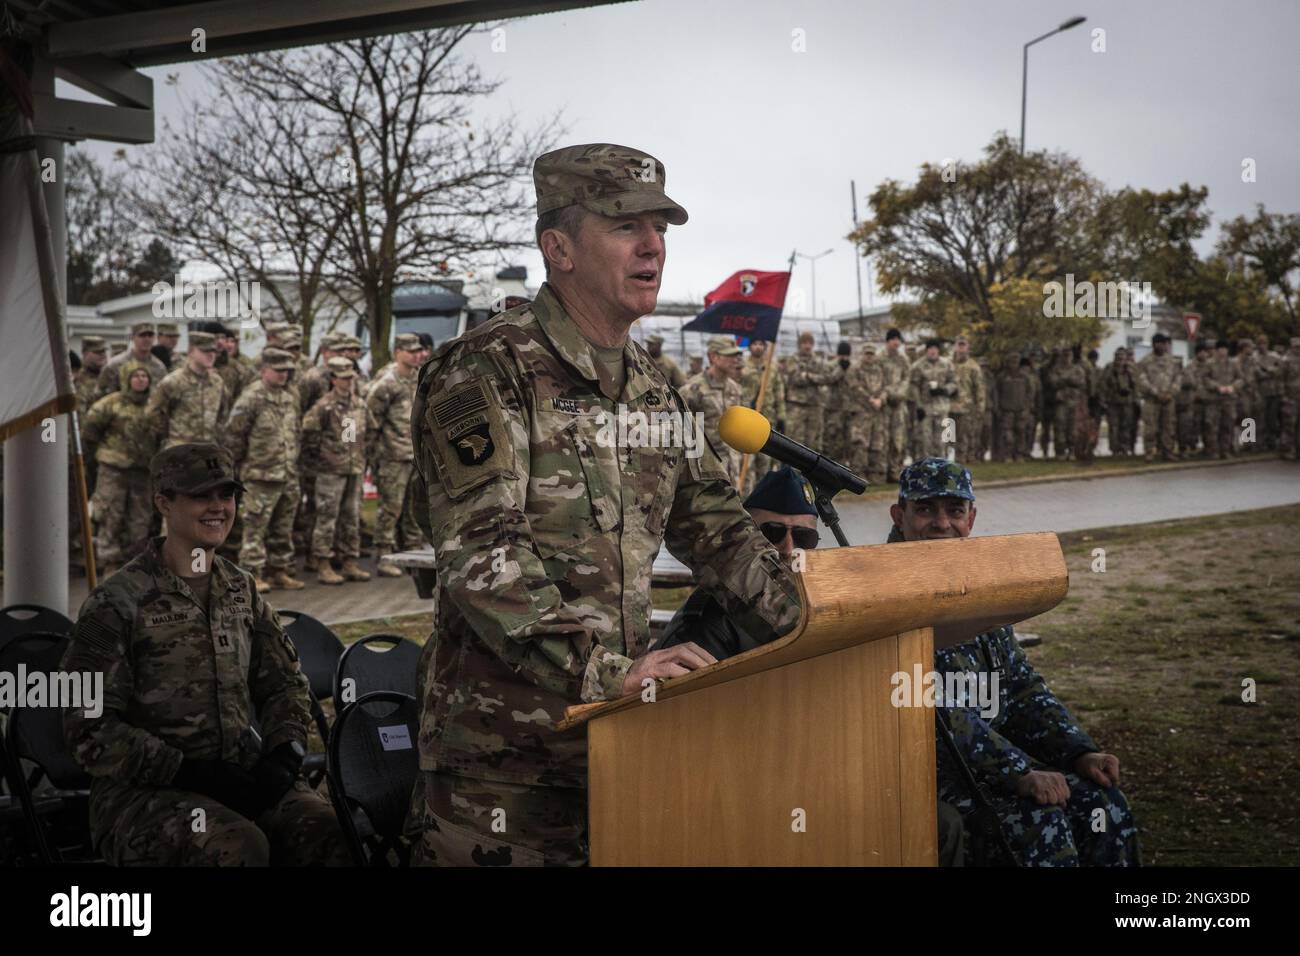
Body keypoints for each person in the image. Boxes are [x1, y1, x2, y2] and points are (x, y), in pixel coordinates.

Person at [404, 142, 803, 866]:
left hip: (618, 745)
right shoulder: (485, 370)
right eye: (626, 227)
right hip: (503, 771)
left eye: (660, 228)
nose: (653, 246)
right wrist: (607, 673)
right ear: (558, 247)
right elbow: (483, 556)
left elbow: (718, 529)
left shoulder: (655, 387)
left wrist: (812, 625)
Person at [658, 465, 965, 866]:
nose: (788, 548)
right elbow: (686, 737)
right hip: (749, 788)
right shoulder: (708, 620)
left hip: (827, 770)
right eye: (771, 533)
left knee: (939, 822)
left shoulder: (828, 609)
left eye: (803, 537)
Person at [61, 443, 349, 866]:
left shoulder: (240, 588)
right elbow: (84, 725)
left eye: (227, 495)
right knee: (238, 845)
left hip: (243, 775)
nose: (218, 507)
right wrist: (183, 770)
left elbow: (286, 683)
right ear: (164, 502)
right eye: (201, 496)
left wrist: (285, 752)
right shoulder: (118, 602)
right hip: (144, 795)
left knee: (331, 832)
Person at [886, 457, 1140, 866]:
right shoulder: (883, 592)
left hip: (989, 770)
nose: (941, 523)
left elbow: (1020, 687)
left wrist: (1077, 752)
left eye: (954, 510)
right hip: (924, 774)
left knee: (1104, 803)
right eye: (925, 509)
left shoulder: (976, 585)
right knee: (1039, 821)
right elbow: (928, 709)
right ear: (900, 516)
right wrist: (1018, 771)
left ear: (972, 519)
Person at [224, 348, 305, 594]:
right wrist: (239, 466)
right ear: (264, 370)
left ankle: (280, 570)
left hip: (287, 473)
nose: (283, 375)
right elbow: (234, 436)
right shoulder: (251, 398)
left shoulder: (290, 396)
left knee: (283, 526)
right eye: (278, 371)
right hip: (260, 475)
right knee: (255, 527)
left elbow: (296, 430)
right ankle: (252, 573)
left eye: (287, 371)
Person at [302, 357, 372, 585]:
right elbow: (310, 435)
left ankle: (350, 560)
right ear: (334, 380)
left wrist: (361, 456)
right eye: (343, 378)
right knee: (327, 517)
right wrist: (322, 458)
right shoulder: (324, 406)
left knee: (351, 516)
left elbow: (368, 431)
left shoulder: (359, 404)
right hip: (330, 470)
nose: (348, 382)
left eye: (351, 377)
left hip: (354, 468)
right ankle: (323, 563)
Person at [81, 361, 156, 575]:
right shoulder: (110, 404)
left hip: (142, 471)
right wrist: (92, 458)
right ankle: (109, 563)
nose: (141, 379)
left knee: (140, 519)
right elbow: (90, 431)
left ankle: (135, 563)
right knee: (110, 515)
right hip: (113, 470)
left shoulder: (154, 405)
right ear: (126, 379)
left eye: (144, 376)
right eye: (136, 376)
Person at [367, 333, 425, 575]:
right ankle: (384, 554)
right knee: (391, 508)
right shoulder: (386, 383)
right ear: (397, 352)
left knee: (414, 505)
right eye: (410, 351)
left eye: (417, 351)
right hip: (392, 456)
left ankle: (412, 551)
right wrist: (372, 455)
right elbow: (371, 421)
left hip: (415, 454)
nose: (416, 355)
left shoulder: (418, 378)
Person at [145, 330, 228, 451]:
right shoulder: (173, 381)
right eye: (205, 351)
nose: (211, 355)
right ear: (191, 351)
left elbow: (222, 414)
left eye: (213, 351)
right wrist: (171, 437)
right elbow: (153, 413)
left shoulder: (217, 382)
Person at [681, 335, 745, 486]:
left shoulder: (734, 388)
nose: (735, 360)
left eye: (736, 355)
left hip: (732, 464)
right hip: (706, 469)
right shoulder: (692, 389)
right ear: (714, 357)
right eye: (729, 355)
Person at [738, 338, 786, 487]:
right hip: (748, 419)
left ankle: (762, 494)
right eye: (755, 344)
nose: (758, 347)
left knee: (765, 461)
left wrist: (781, 415)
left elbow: (778, 390)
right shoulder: (742, 367)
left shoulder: (771, 367)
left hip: (767, 419)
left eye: (761, 345)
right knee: (748, 462)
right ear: (750, 346)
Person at [844, 340, 888, 482]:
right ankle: (858, 473)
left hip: (877, 412)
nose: (869, 357)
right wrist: (870, 399)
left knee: (877, 443)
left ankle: (874, 473)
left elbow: (885, 387)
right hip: (861, 411)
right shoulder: (854, 369)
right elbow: (854, 388)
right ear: (862, 354)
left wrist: (881, 399)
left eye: (872, 354)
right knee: (860, 442)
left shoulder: (879, 370)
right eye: (867, 354)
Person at [785, 331, 836, 450]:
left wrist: (808, 376)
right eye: (804, 343)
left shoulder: (818, 361)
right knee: (795, 441)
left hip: (815, 405)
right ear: (799, 344)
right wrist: (814, 378)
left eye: (810, 343)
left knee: (814, 441)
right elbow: (796, 378)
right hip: (797, 405)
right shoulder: (793, 359)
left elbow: (827, 378)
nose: (807, 346)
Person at [1136, 333, 1180, 461]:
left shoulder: (1172, 361)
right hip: (1152, 400)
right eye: (1162, 343)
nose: (1165, 346)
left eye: (1166, 344)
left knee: (1168, 427)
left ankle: (1168, 451)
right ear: (1155, 344)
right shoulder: (1145, 361)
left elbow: (1177, 378)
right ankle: (1149, 452)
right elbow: (1142, 380)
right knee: (1150, 427)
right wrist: (1156, 393)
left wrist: (1171, 392)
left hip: (1168, 400)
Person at [97, 321, 168, 401]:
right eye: (142, 335)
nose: (147, 339)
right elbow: (100, 393)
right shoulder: (116, 364)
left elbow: (164, 395)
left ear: (154, 338)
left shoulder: (159, 367)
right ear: (133, 337)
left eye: (150, 335)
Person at [1200, 339, 1243, 459]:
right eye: (1220, 349)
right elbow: (1205, 379)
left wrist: (1233, 387)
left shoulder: (1233, 364)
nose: (1223, 351)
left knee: (1227, 425)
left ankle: (1226, 450)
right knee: (1213, 426)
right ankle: (1213, 451)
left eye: (1225, 349)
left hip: (1229, 399)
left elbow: (1240, 379)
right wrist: (1217, 387)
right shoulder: (1209, 364)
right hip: (1214, 399)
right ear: (1217, 350)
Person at [949, 336, 986, 466]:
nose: (961, 348)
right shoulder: (948, 364)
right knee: (948, 436)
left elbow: (979, 389)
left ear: (968, 348)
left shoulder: (973, 367)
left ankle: (963, 459)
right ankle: (949, 459)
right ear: (955, 347)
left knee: (964, 435)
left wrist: (980, 407)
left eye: (964, 345)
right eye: (959, 345)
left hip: (966, 407)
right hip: (949, 407)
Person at [1280, 337, 1300, 461]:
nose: (1298, 349)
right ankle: (1288, 450)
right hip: (1291, 397)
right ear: (1292, 347)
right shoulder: (1286, 361)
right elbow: (1280, 379)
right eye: (1296, 347)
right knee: (1289, 425)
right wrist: (1283, 396)